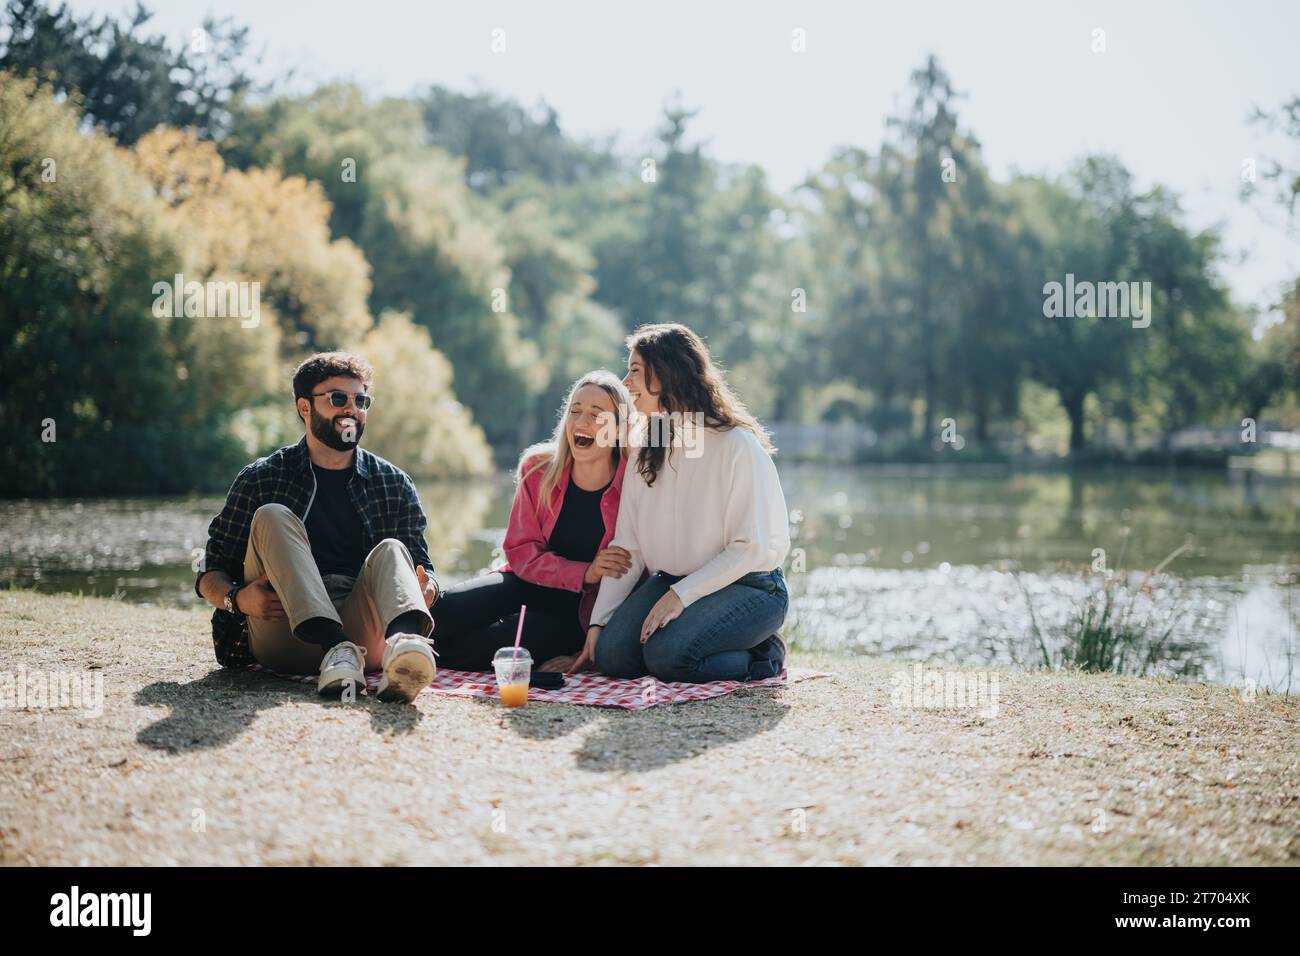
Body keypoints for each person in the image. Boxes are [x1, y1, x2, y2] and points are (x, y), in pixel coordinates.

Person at [196, 352, 439, 703]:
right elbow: (208, 573)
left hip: (365, 639)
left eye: (361, 400)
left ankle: (405, 652)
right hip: (284, 634)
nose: (351, 409)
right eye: (337, 398)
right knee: (273, 515)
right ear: (305, 407)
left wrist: (427, 585)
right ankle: (333, 647)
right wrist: (237, 599)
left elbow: (421, 566)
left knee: (392, 549)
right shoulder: (261, 478)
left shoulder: (394, 483)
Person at [571, 324, 791, 683]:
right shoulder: (647, 442)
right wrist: (599, 621)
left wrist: (682, 595)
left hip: (750, 586)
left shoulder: (735, 445)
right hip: (674, 582)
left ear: (669, 373)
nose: (626, 383)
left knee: (669, 657)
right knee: (613, 656)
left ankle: (764, 654)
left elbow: (751, 548)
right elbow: (628, 545)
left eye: (636, 371)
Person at [431, 371, 635, 671]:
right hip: (525, 581)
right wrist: (585, 572)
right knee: (443, 611)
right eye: (575, 411)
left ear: (619, 429)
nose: (581, 422)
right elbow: (521, 551)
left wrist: (592, 649)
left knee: (491, 645)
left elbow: (636, 575)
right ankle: (395, 649)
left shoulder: (636, 485)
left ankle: (418, 660)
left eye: (596, 414)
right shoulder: (537, 468)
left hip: (577, 615)